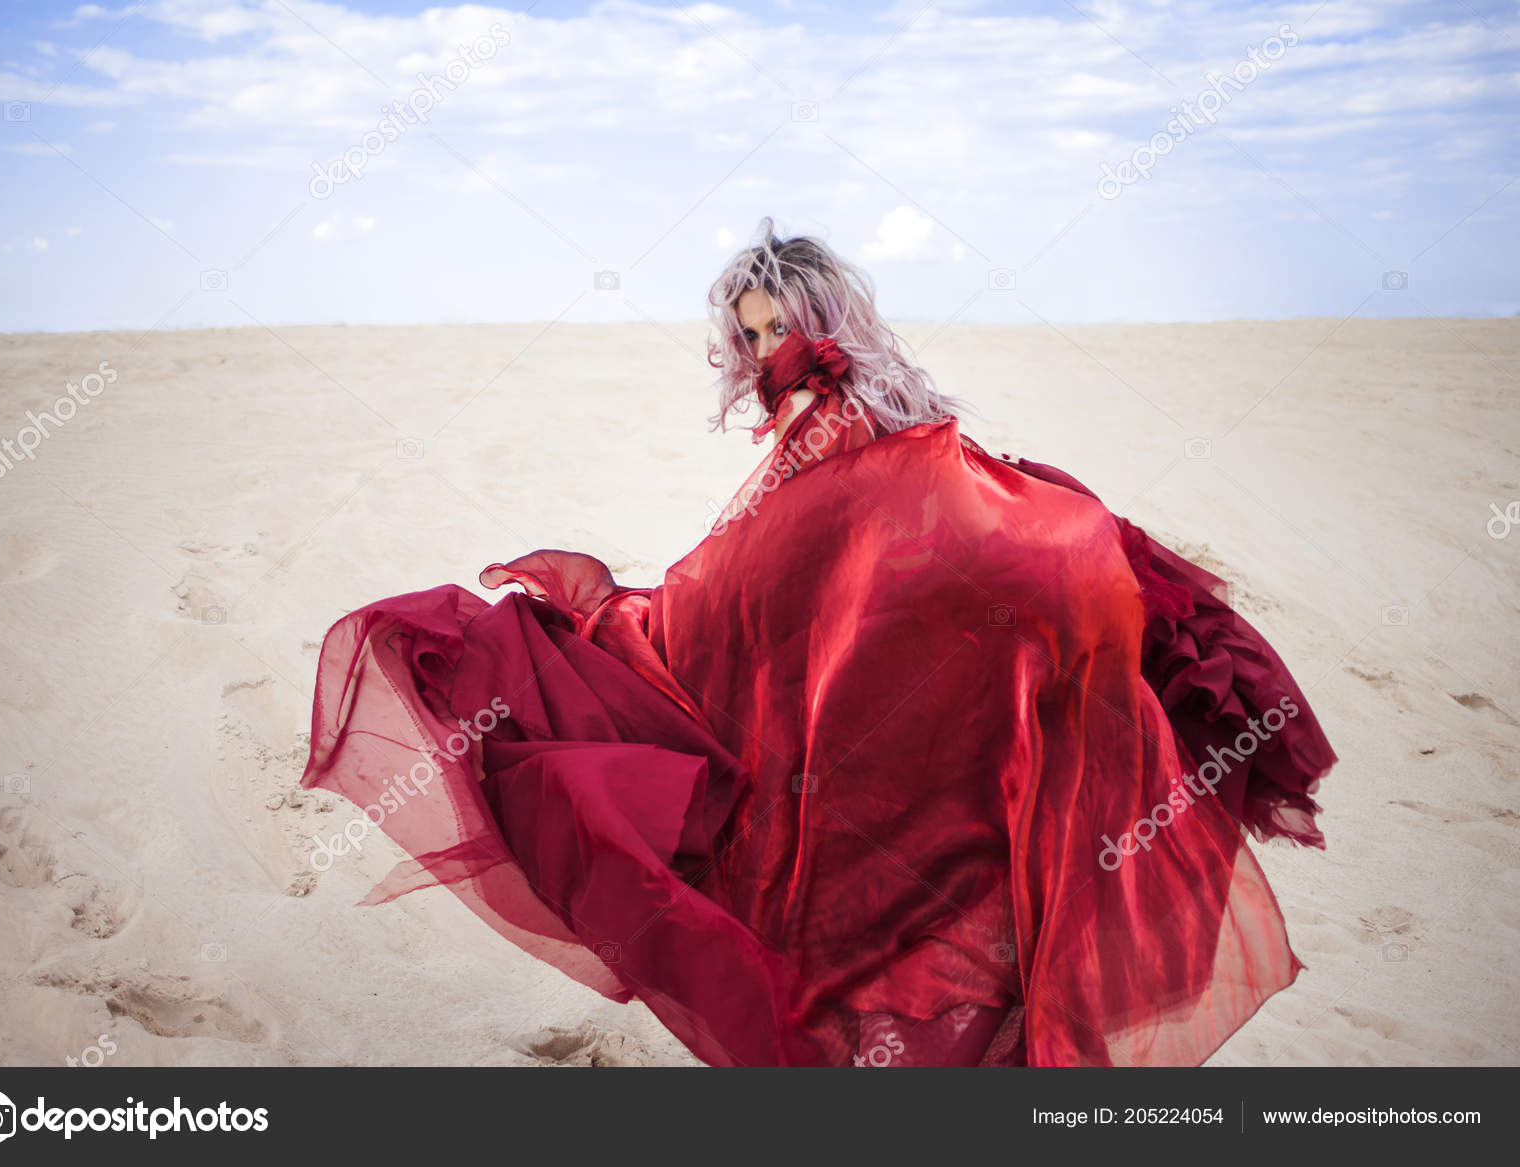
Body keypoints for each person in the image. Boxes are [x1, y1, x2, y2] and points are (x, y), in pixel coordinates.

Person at [300, 218, 1336, 1067]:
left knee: (866, 896)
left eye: (776, 330)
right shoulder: (890, 411)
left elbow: (783, 573)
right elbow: (795, 574)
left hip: (925, 693)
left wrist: (612, 617)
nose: (764, 355)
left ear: (823, 322)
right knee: (960, 885)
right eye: (748, 335)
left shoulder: (836, 424)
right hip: (920, 688)